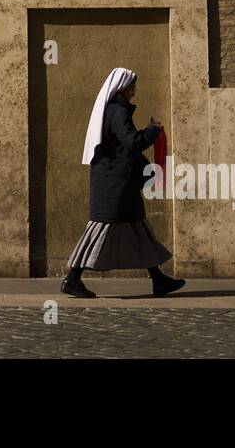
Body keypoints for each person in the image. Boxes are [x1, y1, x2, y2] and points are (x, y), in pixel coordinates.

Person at [60, 66, 186, 299]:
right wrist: (152, 131)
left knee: (139, 230)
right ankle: (73, 278)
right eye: (132, 87)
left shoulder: (114, 111)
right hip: (115, 184)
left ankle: (158, 280)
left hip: (120, 183)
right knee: (100, 228)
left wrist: (147, 131)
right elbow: (132, 142)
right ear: (123, 87)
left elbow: (123, 142)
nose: (134, 92)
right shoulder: (118, 111)